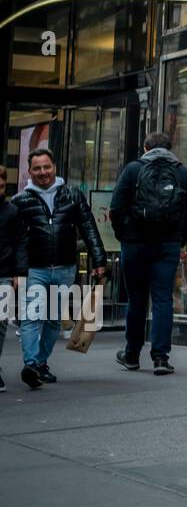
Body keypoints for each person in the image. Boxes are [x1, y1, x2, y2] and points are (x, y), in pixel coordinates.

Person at [11, 149, 107, 389]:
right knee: (32, 317)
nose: (43, 172)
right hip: (35, 269)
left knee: (53, 320)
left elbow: (89, 227)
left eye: (47, 167)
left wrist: (99, 260)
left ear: (54, 167)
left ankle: (41, 364)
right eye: (37, 168)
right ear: (29, 171)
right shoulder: (20, 201)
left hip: (64, 268)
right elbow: (12, 239)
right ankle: (31, 364)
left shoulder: (72, 194)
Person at [110, 132, 187, 375]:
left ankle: (131, 354)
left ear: (145, 147)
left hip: (135, 245)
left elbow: (116, 208)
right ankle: (161, 357)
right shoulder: (184, 174)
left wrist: (125, 235)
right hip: (167, 246)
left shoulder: (132, 170)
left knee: (136, 299)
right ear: (171, 148)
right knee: (162, 299)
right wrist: (178, 239)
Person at [0, 164, 28, 394]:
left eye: (1, 186)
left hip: (3, 273)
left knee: (0, 324)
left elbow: (20, 242)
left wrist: (19, 272)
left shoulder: (11, 211)